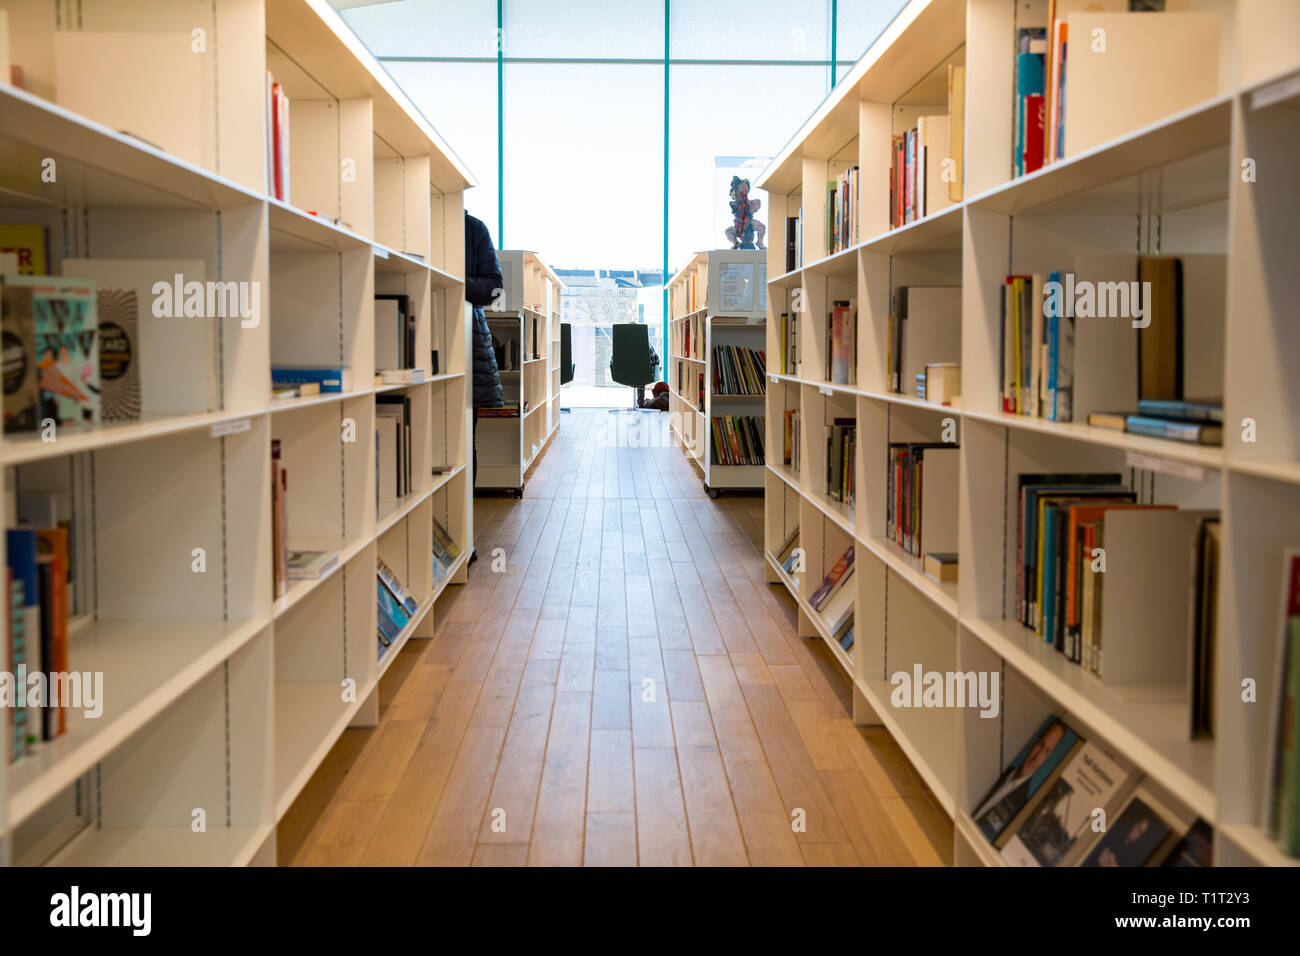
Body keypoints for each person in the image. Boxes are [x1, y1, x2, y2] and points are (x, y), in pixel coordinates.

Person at [465, 211, 503, 563]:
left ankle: (462, 534)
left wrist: (451, 282)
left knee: (464, 440)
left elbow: (494, 287)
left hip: (464, 344)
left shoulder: (473, 228)